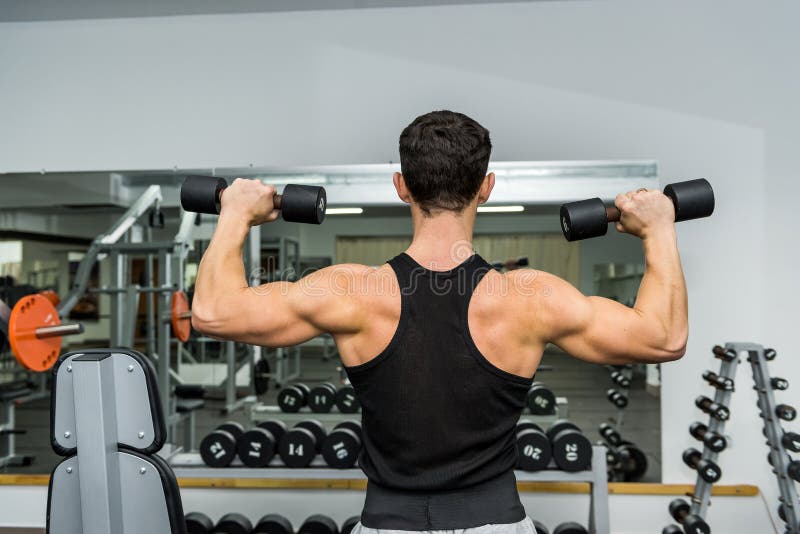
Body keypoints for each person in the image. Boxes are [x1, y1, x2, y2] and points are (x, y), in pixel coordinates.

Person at [192, 110, 688, 533]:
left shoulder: (349, 291)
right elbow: (664, 338)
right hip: (497, 523)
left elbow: (212, 312)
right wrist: (658, 229)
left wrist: (235, 213)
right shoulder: (531, 297)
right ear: (486, 188)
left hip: (387, 522)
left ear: (401, 187)